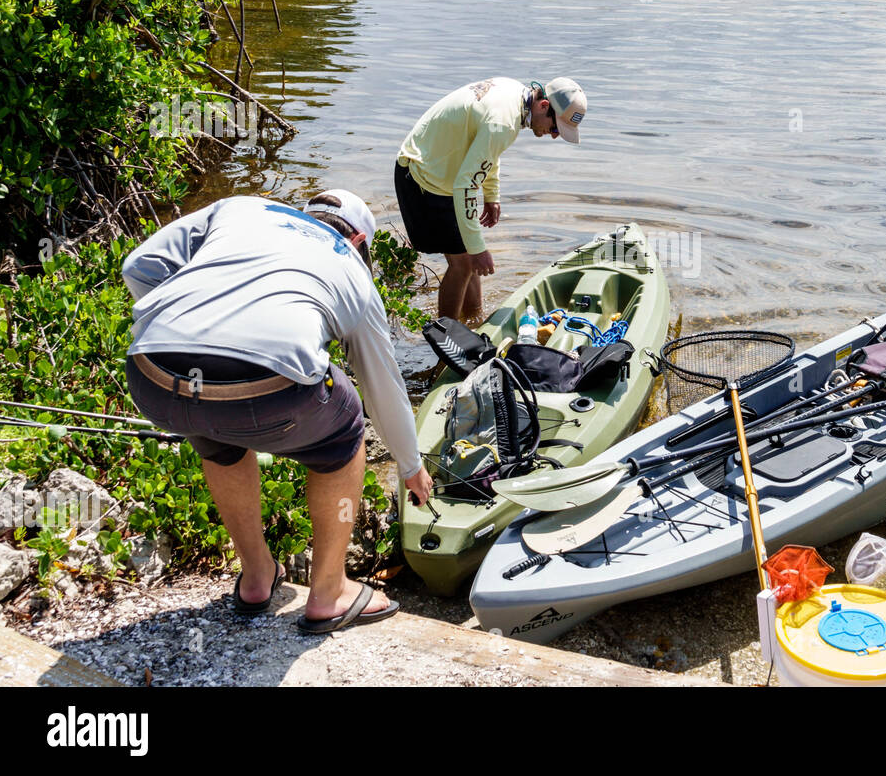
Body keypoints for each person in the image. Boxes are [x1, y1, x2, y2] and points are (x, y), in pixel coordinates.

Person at [121, 191, 434, 634]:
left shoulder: (242, 208)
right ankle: (330, 592)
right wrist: (411, 466)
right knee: (345, 428)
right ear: (360, 239)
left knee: (218, 435)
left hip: (153, 376)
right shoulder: (350, 266)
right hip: (267, 397)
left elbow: (138, 267)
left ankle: (256, 578)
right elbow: (382, 389)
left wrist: (187, 327)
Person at [394, 76, 588, 321]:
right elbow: (466, 182)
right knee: (464, 263)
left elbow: (487, 149)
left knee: (468, 257)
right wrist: (478, 249)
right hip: (422, 176)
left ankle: (474, 321)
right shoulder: (503, 122)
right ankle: (446, 345)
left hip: (439, 170)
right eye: (555, 128)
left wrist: (491, 194)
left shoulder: (514, 93)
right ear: (543, 106)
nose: (553, 136)